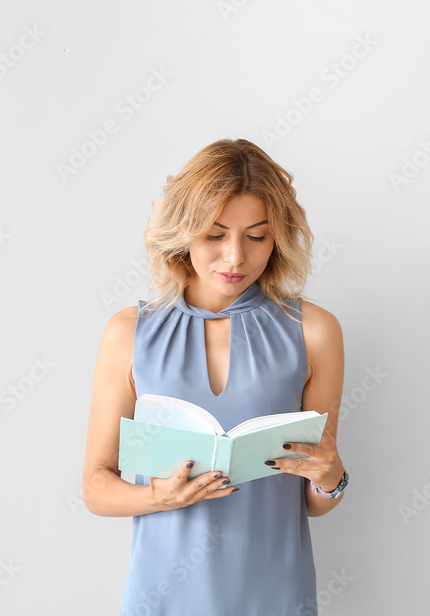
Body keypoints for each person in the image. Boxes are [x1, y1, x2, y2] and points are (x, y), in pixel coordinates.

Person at [81, 138, 349, 615]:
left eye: (257, 236)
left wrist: (332, 479)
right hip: (162, 595)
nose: (234, 258)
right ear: (183, 231)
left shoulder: (314, 332)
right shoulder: (129, 333)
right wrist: (157, 497)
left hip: (274, 594)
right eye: (214, 234)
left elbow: (312, 500)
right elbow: (96, 488)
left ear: (278, 237)